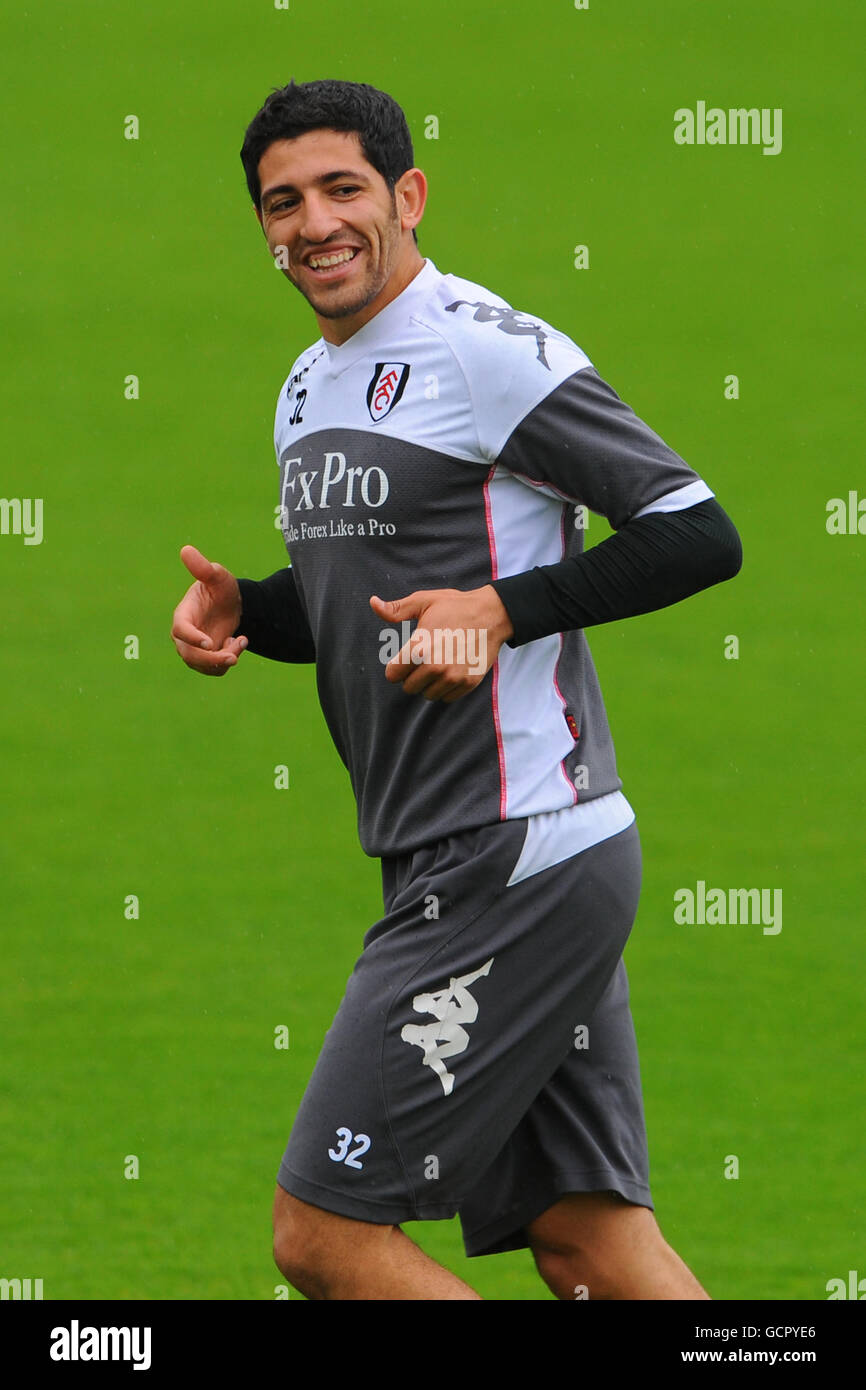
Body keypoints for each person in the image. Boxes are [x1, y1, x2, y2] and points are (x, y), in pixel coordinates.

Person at [171, 78, 742, 1301]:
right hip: (483, 852)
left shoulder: (482, 348)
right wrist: (250, 613)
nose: (312, 223)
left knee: (320, 1234)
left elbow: (696, 531)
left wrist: (503, 609)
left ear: (408, 196)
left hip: (506, 852)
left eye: (342, 189)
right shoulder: (307, 386)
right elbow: (366, 605)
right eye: (282, 202)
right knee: (589, 1242)